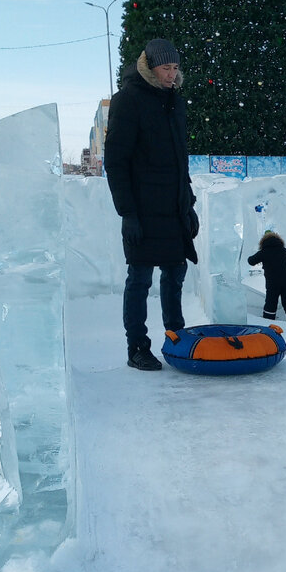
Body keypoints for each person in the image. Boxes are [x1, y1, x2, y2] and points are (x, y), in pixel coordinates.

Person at [104, 37, 199, 371]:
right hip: (142, 208)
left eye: (175, 68)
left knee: (175, 273)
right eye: (165, 68)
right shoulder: (128, 100)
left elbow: (179, 160)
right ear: (149, 67)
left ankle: (176, 339)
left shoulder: (175, 102)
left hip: (173, 206)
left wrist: (189, 204)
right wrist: (127, 213)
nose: (171, 74)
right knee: (140, 278)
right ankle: (137, 348)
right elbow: (115, 161)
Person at [247, 230, 286, 322]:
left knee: (271, 302)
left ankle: (268, 321)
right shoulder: (282, 250)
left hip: (272, 282)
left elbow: (251, 261)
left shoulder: (264, 252)